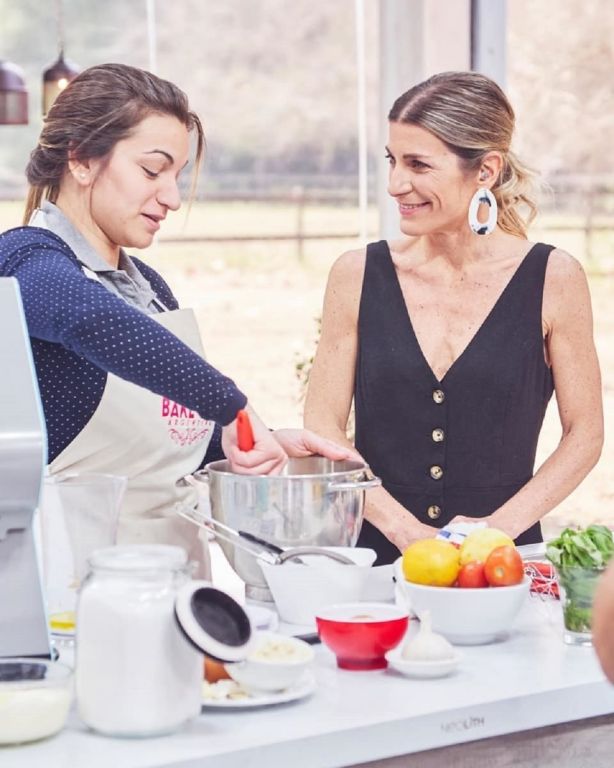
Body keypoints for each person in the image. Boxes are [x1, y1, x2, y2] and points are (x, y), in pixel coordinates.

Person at [0, 63, 353, 577]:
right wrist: (235, 406)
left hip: (180, 590)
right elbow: (90, 320)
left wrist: (257, 442)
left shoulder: (151, 289)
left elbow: (173, 435)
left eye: (177, 175)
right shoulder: (26, 260)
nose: (172, 197)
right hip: (75, 602)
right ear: (79, 160)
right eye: (152, 170)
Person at [304, 71, 604, 565]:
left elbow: (585, 434)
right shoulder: (356, 273)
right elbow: (322, 423)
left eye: (419, 164)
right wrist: (404, 530)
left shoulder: (555, 278)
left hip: (502, 559)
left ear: (485, 171)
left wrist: (493, 533)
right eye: (392, 161)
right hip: (371, 554)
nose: (396, 184)